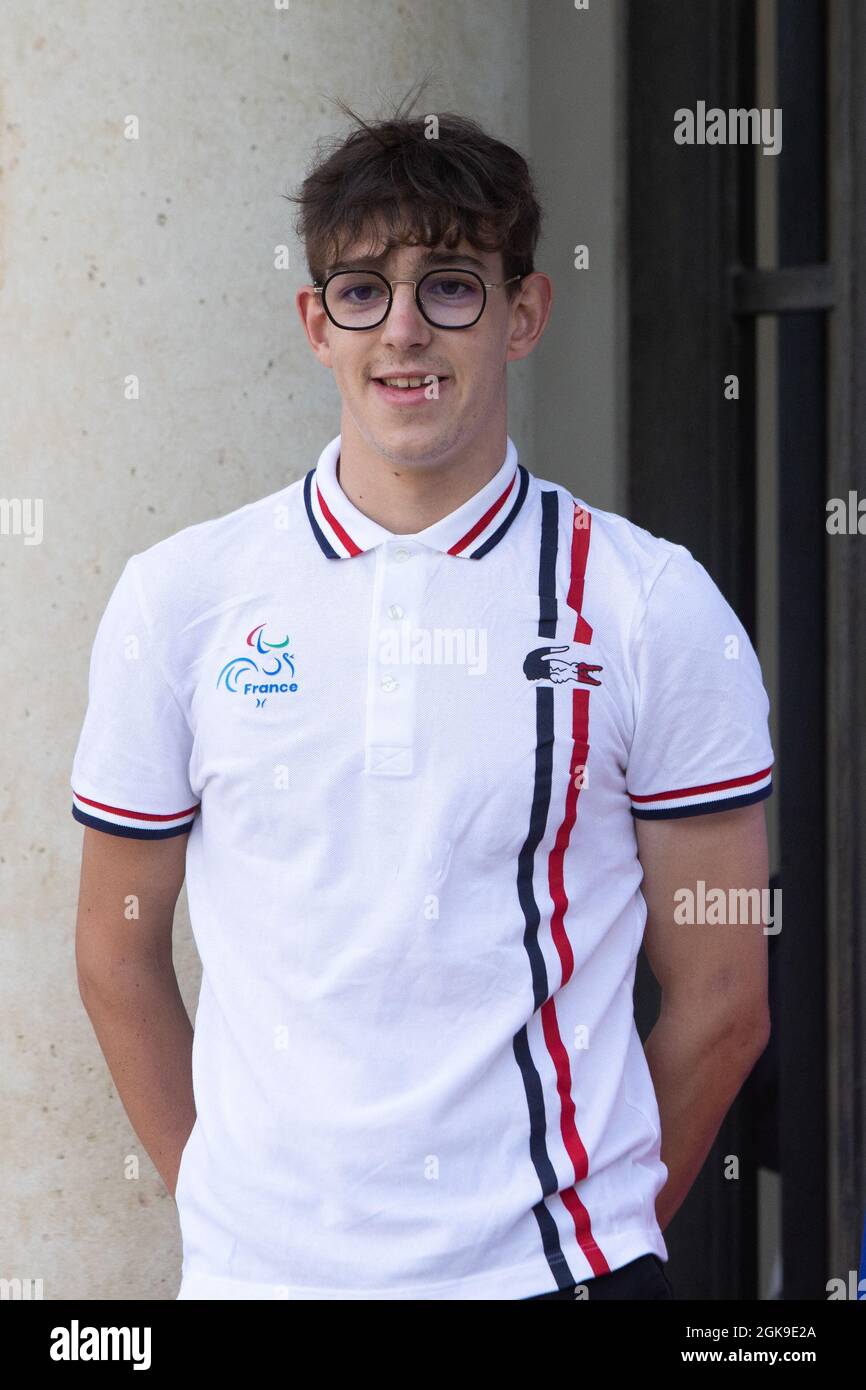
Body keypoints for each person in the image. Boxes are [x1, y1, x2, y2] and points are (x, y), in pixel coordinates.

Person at [71, 90, 773, 1301]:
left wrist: (578, 1232)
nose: (403, 329)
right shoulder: (179, 598)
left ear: (523, 312)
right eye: (362, 291)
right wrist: (232, 1212)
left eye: (449, 284)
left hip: (559, 1275)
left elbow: (722, 999)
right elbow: (113, 953)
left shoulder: (650, 605)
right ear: (315, 323)